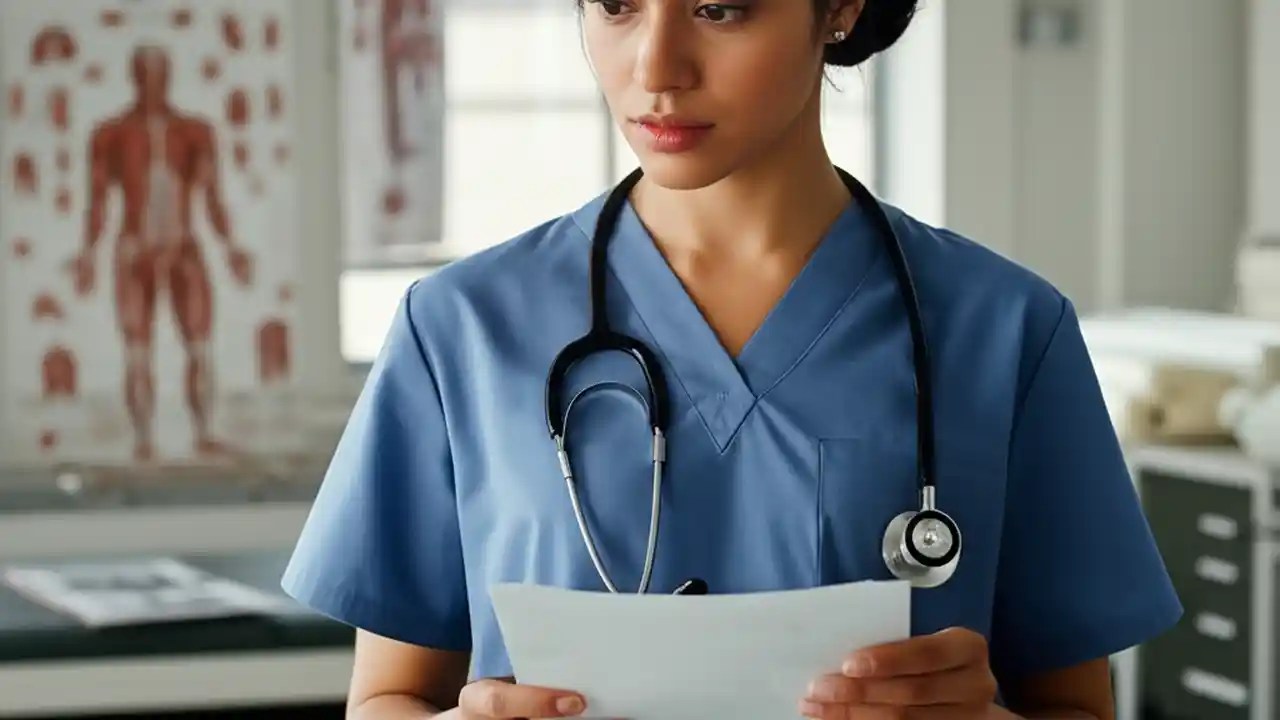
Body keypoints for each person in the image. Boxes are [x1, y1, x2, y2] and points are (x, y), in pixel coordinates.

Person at [281, 0, 1182, 717]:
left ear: (839, 9)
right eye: (616, 5)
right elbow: (387, 698)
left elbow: (1076, 705)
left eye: (719, 9)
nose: (655, 69)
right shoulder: (461, 327)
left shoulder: (1005, 330)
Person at [68, 45, 253, 462]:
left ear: (169, 76)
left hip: (183, 245)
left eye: (159, 73)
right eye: (145, 73)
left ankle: (203, 431)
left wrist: (231, 248)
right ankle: (143, 438)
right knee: (137, 350)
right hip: (135, 248)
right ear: (134, 77)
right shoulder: (111, 134)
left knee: (199, 345)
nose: (153, 82)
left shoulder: (194, 132)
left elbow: (212, 196)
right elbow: (97, 201)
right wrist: (88, 254)